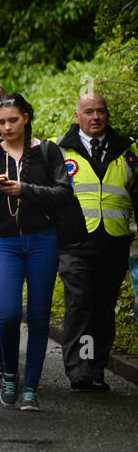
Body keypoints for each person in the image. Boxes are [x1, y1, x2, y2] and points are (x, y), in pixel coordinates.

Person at [0, 93, 74, 411]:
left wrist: (23, 189)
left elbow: (64, 193)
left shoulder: (47, 150)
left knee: (39, 316)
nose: (6, 127)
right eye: (1, 122)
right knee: (9, 314)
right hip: (4, 242)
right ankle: (10, 376)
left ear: (26, 117)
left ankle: (31, 387)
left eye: (13, 120)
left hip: (43, 239)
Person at [56, 92, 137, 392]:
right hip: (75, 244)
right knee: (80, 306)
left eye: (100, 111)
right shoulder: (61, 151)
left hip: (113, 242)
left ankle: (95, 367)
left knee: (103, 308)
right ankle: (79, 369)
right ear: (77, 116)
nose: (95, 117)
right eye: (88, 112)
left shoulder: (128, 150)